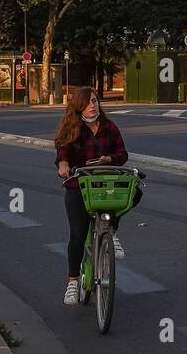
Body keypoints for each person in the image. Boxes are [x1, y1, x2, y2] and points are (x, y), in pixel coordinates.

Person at [55, 87, 133, 306]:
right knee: (78, 234)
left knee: (132, 192)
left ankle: (112, 233)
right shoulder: (72, 128)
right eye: (89, 102)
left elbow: (123, 154)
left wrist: (110, 159)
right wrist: (64, 165)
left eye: (96, 101)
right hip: (78, 185)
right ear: (79, 106)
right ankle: (72, 282)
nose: (93, 105)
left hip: (105, 184)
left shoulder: (109, 127)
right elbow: (62, 152)